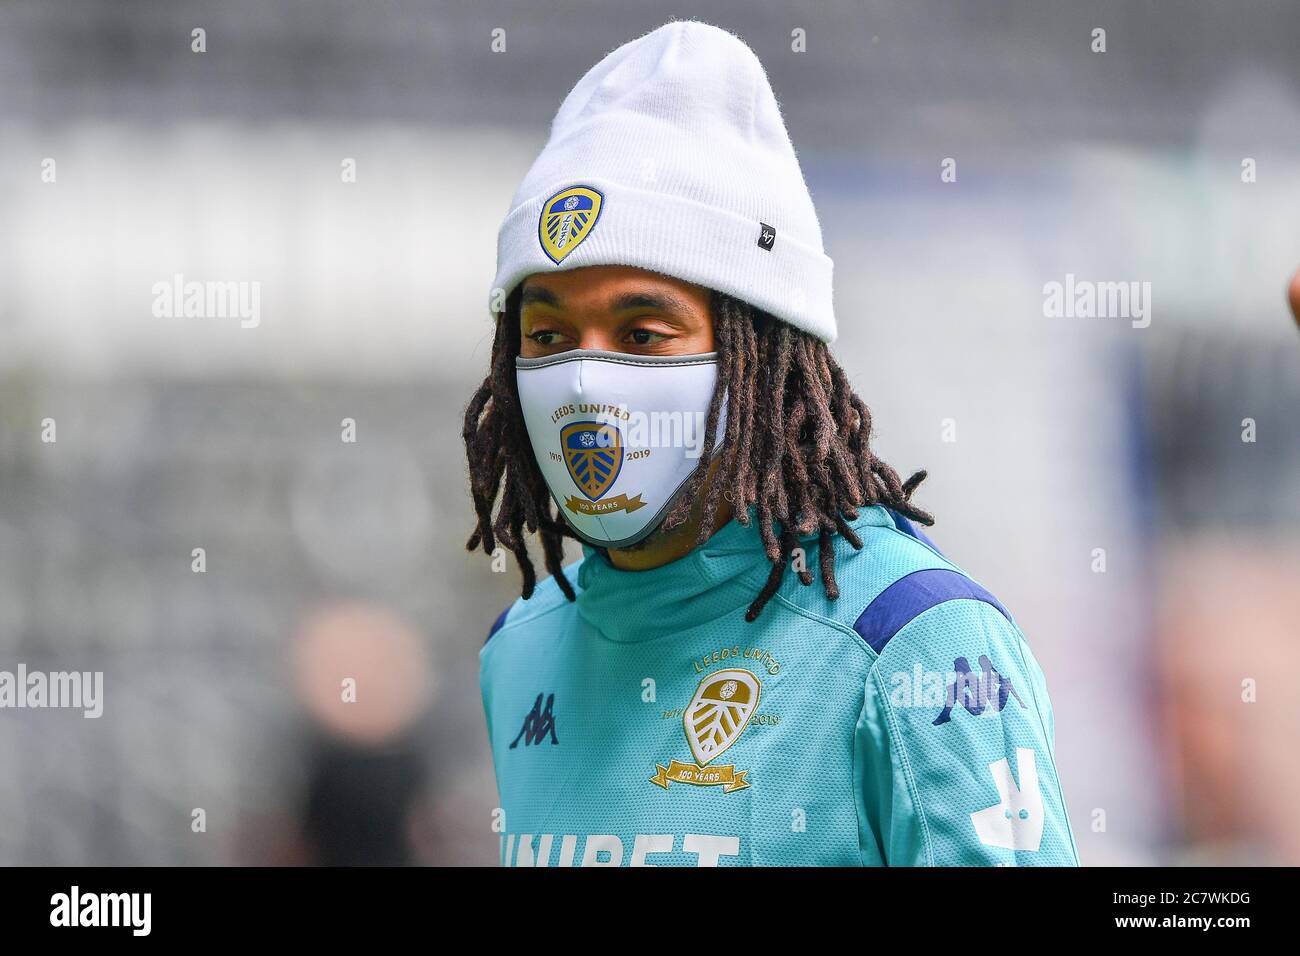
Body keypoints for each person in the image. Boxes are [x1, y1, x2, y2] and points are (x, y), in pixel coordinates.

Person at [465, 19, 1079, 866]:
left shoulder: (916, 644)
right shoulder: (520, 648)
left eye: (644, 334)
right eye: (547, 335)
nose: (583, 380)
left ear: (765, 354)